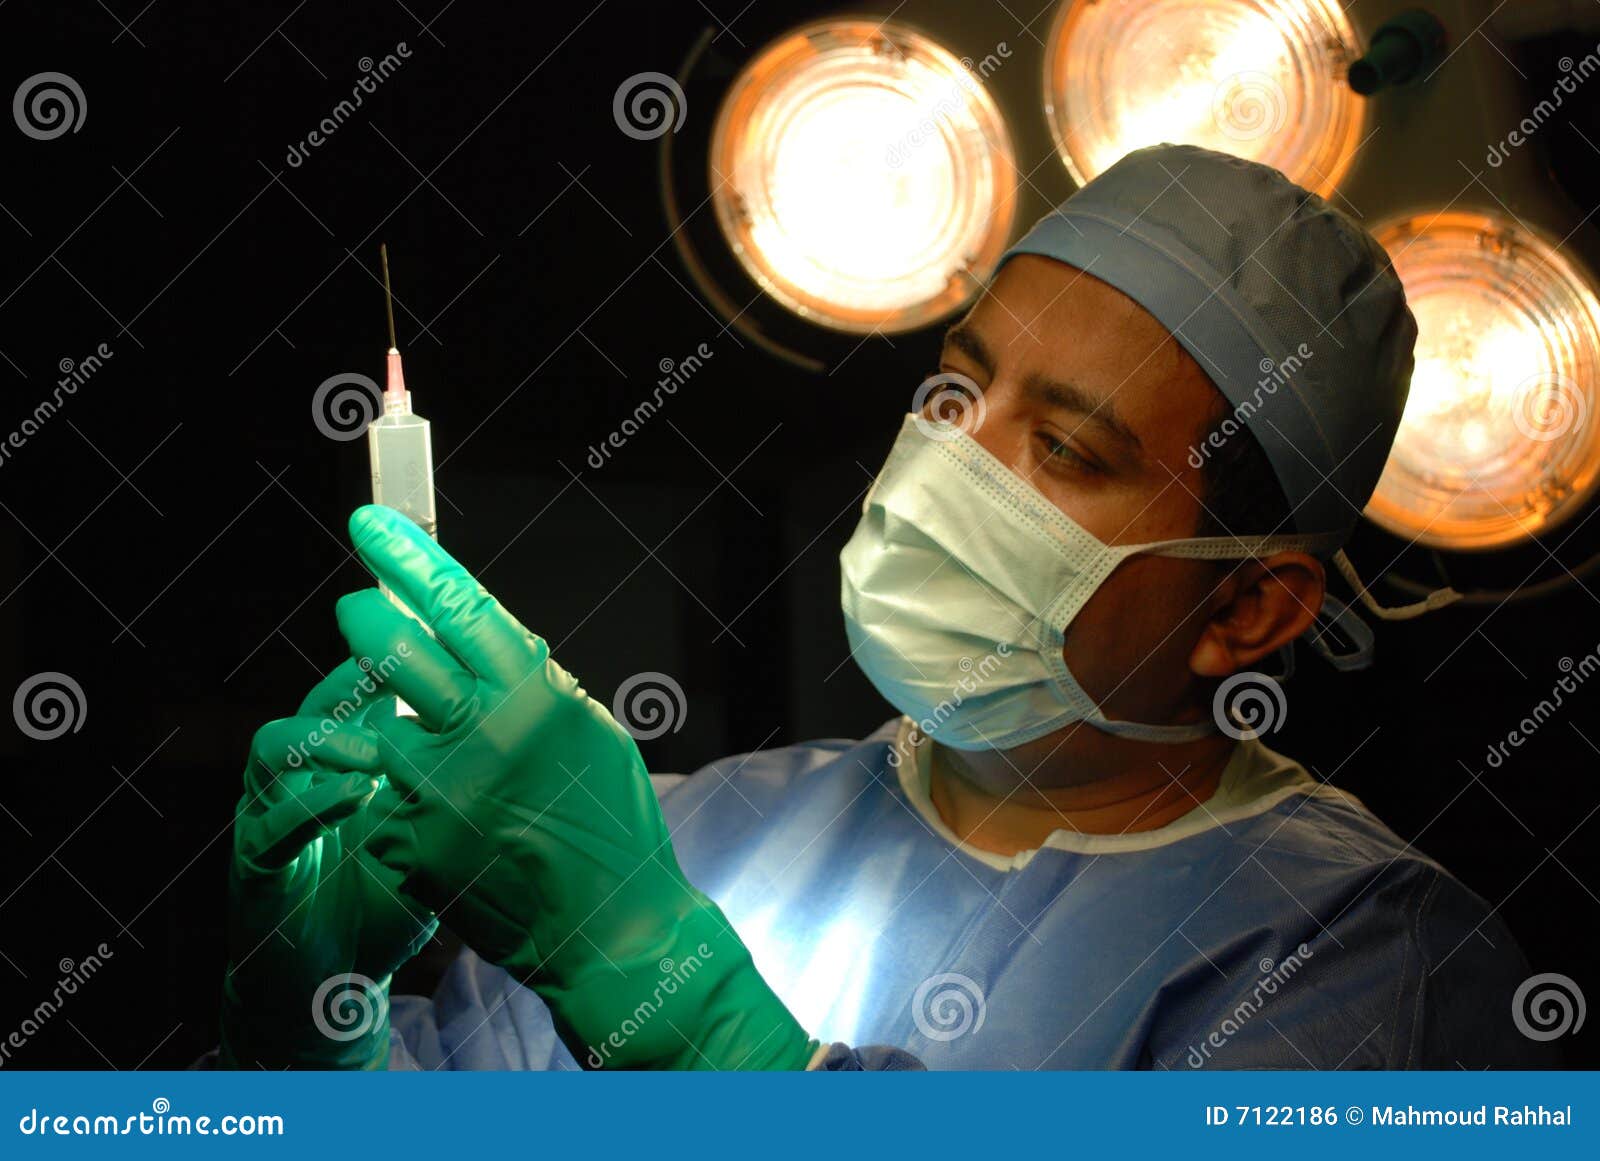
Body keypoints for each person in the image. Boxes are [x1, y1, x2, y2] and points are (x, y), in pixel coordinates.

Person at [219, 144, 1556, 1071]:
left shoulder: (1366, 958)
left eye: (1069, 452)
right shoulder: (697, 831)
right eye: (959, 391)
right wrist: (315, 1025)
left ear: (1251, 611)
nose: (960, 464)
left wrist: (655, 982)